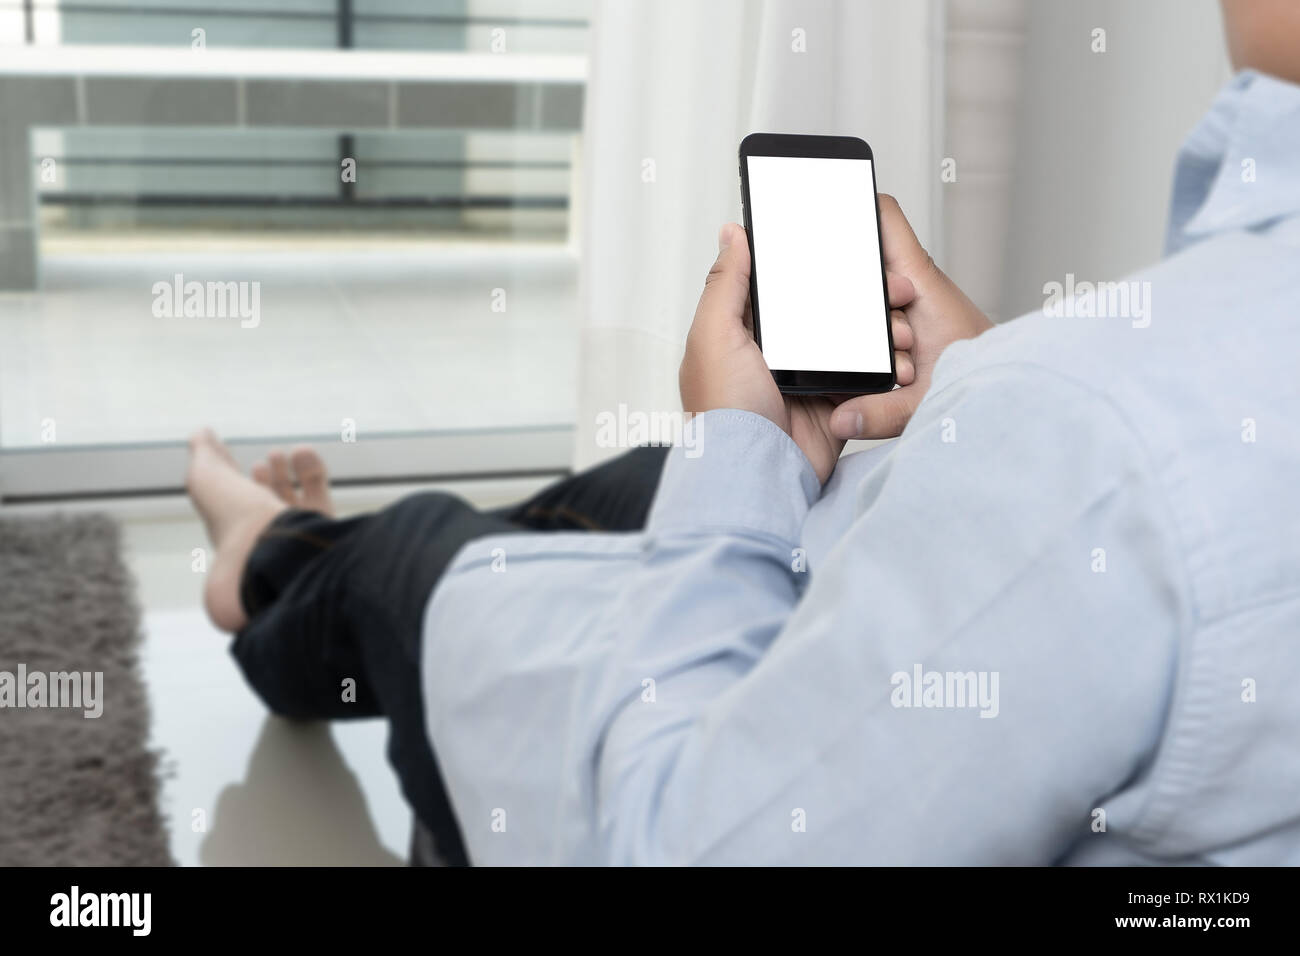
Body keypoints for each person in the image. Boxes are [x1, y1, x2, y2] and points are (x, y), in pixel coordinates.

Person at [187, 0, 1300, 865]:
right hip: (883, 546)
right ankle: (313, 549)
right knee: (636, 480)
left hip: (712, 744)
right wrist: (985, 375)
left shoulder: (1101, 432)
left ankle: (264, 555)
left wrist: (735, 444)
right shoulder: (1111, 409)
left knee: (422, 553)